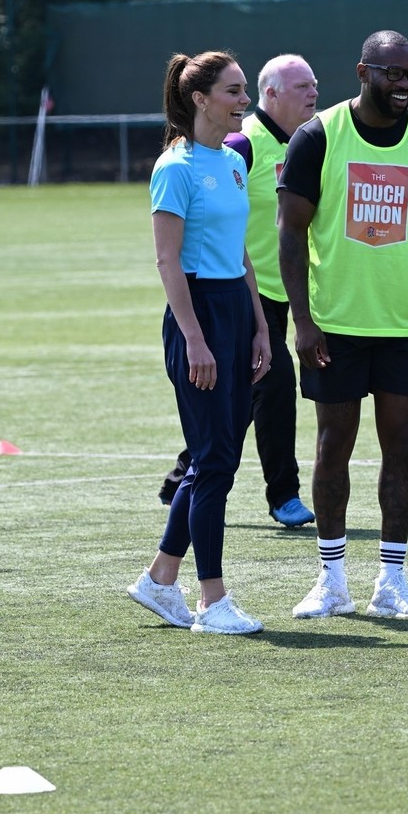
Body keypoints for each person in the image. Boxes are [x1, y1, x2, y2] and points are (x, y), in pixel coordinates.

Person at [277, 29, 408, 619]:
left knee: (400, 450)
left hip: (407, 325)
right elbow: (291, 232)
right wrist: (302, 321)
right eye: (394, 74)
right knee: (333, 449)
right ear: (363, 72)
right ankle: (331, 581)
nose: (405, 84)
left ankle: (392, 580)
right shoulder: (318, 136)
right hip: (335, 325)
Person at [127, 50, 271, 635]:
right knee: (213, 461)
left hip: (235, 310)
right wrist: (195, 339)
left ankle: (161, 580)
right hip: (199, 315)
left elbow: (241, 254)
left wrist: (260, 326)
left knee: (219, 457)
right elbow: (167, 260)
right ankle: (213, 602)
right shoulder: (175, 167)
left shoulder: (233, 162)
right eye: (235, 91)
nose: (245, 102)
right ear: (201, 99)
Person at [158, 56, 320, 529]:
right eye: (301, 86)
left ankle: (183, 477)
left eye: (315, 84)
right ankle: (284, 495)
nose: (313, 93)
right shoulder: (240, 145)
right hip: (240, 296)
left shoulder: (307, 142)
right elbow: (183, 242)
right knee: (273, 388)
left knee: (236, 405)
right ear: (272, 94)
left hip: (285, 290)